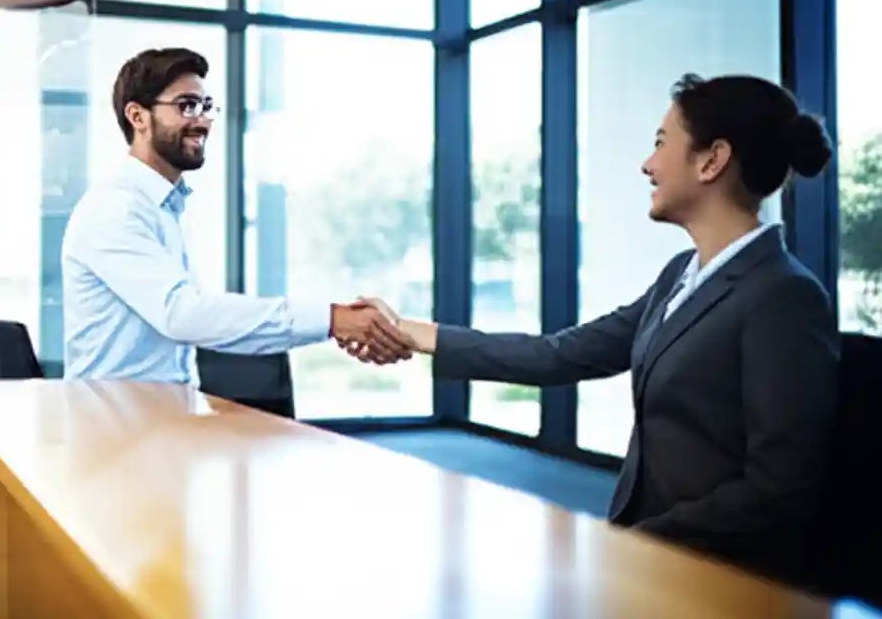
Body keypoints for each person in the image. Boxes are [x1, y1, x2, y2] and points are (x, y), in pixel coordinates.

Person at [354, 73, 840, 581]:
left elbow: (777, 487)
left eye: (660, 143)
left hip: (714, 579)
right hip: (648, 565)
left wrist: (634, 546)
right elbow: (558, 355)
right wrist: (408, 331)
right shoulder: (680, 275)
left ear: (712, 160)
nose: (647, 165)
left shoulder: (782, 296)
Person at [61, 47, 409, 385]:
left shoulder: (162, 206)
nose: (202, 122)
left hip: (159, 417)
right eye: (186, 106)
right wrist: (332, 320)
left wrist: (336, 322)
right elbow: (182, 315)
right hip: (112, 425)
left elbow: (197, 325)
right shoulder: (115, 208)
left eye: (206, 107)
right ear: (137, 117)